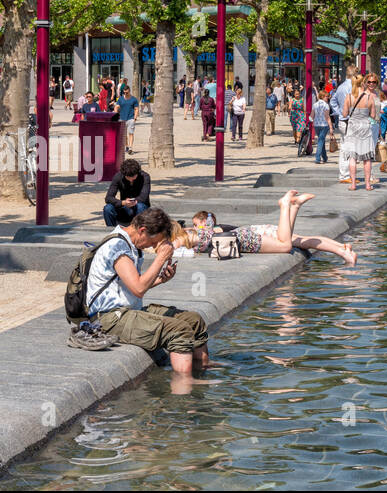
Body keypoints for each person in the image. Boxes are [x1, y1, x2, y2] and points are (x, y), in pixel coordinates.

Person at [86, 206, 210, 376]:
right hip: (109, 319)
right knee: (179, 330)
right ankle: (184, 386)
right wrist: (160, 258)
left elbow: (132, 286)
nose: (152, 247)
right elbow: (138, 289)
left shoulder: (130, 245)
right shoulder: (117, 246)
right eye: (152, 242)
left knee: (194, 320)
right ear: (142, 230)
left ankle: (202, 369)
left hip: (128, 311)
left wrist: (160, 279)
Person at [187, 191, 357, 265]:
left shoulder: (210, 226)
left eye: (196, 223)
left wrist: (194, 230)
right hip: (259, 231)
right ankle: (341, 248)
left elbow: (207, 223)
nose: (195, 227)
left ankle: (342, 252)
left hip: (258, 233)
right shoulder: (212, 225)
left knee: (296, 241)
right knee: (301, 240)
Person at [341, 71, 379, 191]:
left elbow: (344, 114)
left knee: (353, 158)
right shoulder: (369, 97)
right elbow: (373, 115)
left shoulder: (349, 97)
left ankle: (353, 184)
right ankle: (367, 184)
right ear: (363, 83)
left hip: (352, 128)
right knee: (366, 158)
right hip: (365, 127)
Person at [103, 157, 152, 229]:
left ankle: (138, 231)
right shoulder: (118, 176)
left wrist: (133, 202)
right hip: (124, 207)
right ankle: (112, 231)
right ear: (124, 174)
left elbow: (144, 197)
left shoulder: (145, 177)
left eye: (134, 176)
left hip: (140, 208)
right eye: (128, 177)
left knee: (140, 206)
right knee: (108, 208)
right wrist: (123, 203)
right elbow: (108, 198)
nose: (131, 179)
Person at [115, 84, 141, 154]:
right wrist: (115, 115)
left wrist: (135, 118)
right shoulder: (121, 99)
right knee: (124, 134)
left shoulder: (134, 99)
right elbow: (117, 107)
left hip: (130, 118)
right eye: (124, 92)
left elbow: (136, 109)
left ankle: (130, 148)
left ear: (129, 91)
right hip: (122, 118)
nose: (126, 93)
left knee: (131, 133)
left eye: (127, 92)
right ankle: (126, 146)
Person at [309, 88, 331, 164]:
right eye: (326, 96)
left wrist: (310, 121)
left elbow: (311, 116)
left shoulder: (315, 104)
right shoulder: (326, 105)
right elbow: (327, 117)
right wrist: (331, 128)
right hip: (324, 125)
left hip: (316, 125)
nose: (328, 98)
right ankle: (318, 158)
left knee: (321, 141)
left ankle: (324, 157)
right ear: (322, 96)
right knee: (320, 141)